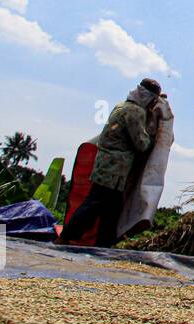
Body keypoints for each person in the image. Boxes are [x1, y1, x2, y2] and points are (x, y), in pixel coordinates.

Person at [59, 78, 162, 247]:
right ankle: (68, 236)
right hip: (115, 169)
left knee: (111, 210)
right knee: (95, 204)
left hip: (107, 166)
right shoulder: (135, 112)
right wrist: (155, 137)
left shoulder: (121, 106)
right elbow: (141, 144)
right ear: (147, 98)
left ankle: (104, 245)